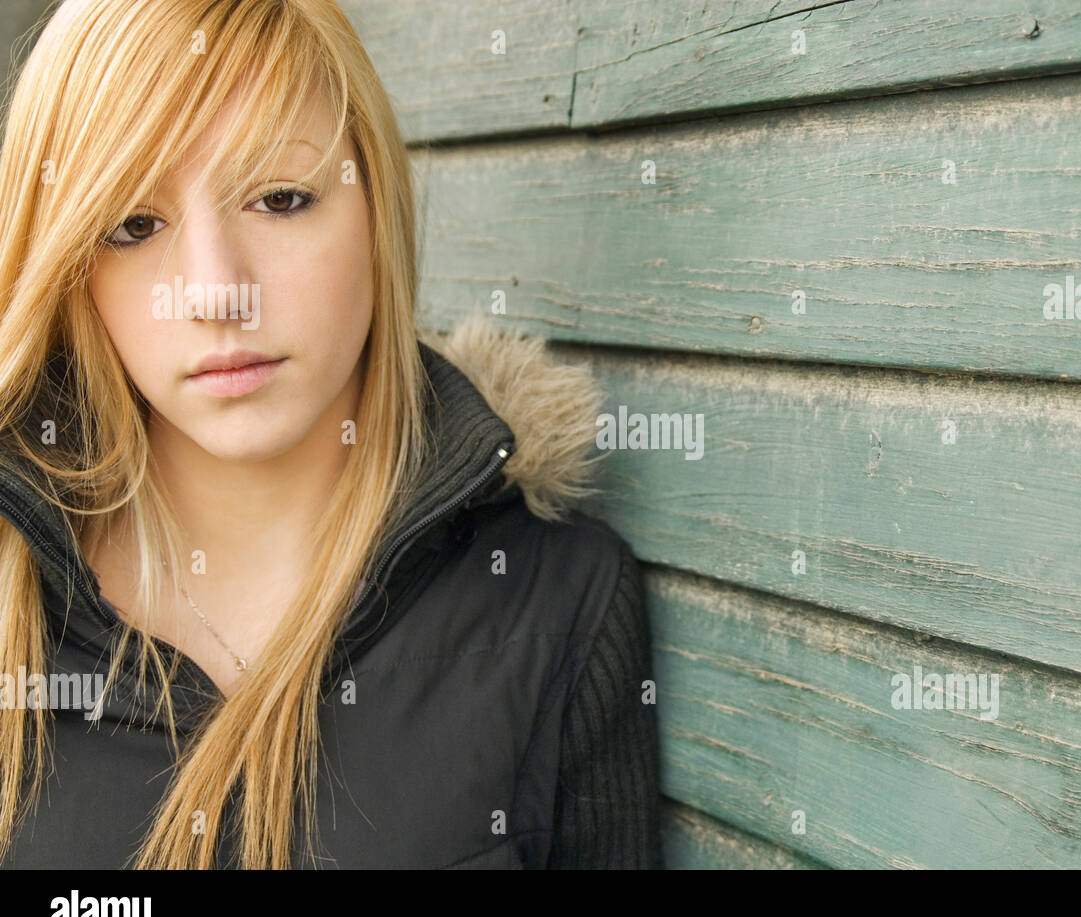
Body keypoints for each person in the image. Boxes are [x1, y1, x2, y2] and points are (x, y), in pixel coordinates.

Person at [0, 0, 662, 869]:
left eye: (279, 198)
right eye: (135, 224)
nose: (216, 294)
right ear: (72, 268)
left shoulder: (554, 602)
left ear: (374, 211)